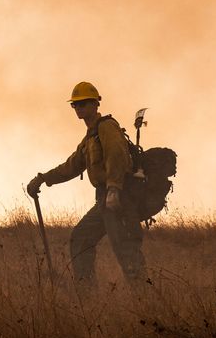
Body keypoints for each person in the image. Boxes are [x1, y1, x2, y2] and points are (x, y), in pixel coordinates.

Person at [26, 81, 146, 290]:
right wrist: (44, 178)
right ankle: (86, 296)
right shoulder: (90, 138)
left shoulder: (107, 127)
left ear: (95, 104)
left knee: (125, 249)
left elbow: (117, 156)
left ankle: (146, 299)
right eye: (75, 105)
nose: (79, 109)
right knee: (81, 239)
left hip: (119, 198)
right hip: (104, 200)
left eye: (83, 104)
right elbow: (72, 166)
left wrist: (114, 189)